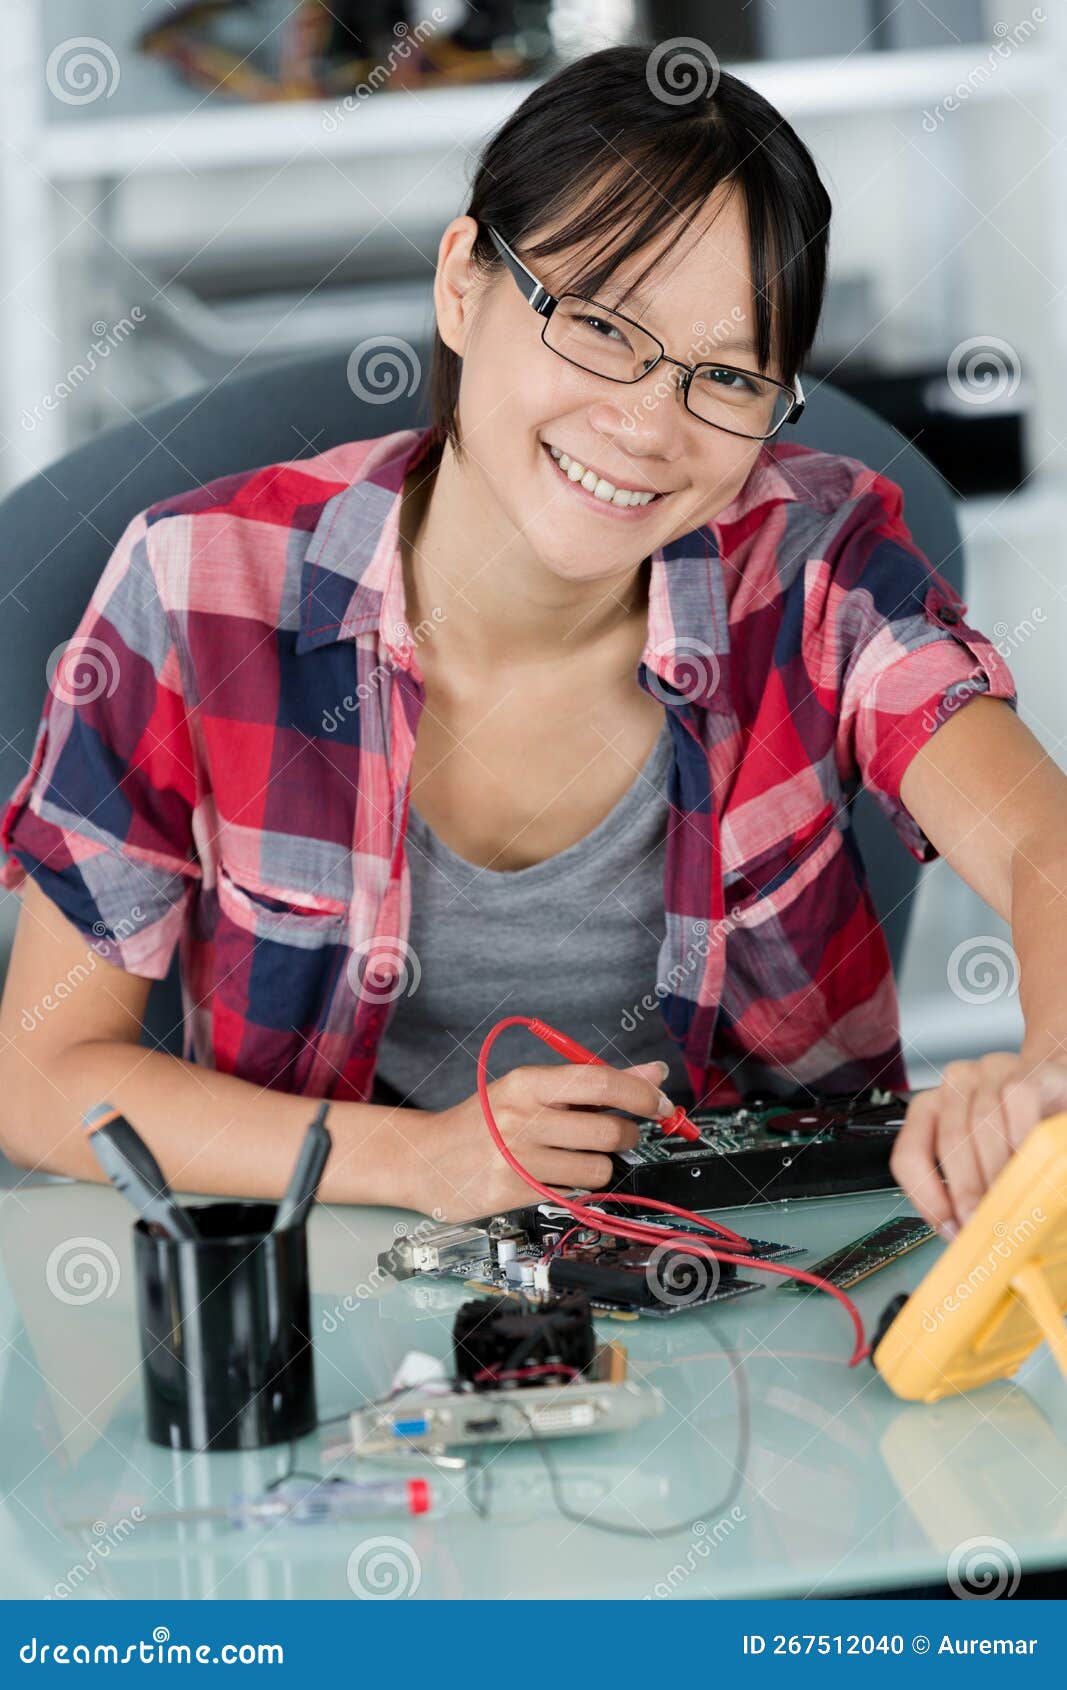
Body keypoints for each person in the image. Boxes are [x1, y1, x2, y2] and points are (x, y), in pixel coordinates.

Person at [2, 45, 1066, 1233]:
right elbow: (41, 1076)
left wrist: (1052, 1068)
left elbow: (1042, 846)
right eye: (601, 326)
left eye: (724, 376)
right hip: (350, 1273)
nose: (644, 425)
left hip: (771, 1268)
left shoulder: (818, 564)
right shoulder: (198, 589)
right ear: (463, 282)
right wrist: (417, 1160)